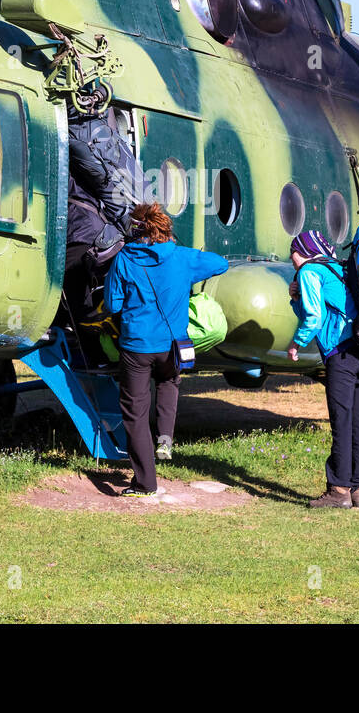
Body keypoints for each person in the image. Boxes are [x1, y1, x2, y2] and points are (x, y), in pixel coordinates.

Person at [104, 202, 228, 497]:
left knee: (135, 412)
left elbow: (113, 304)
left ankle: (145, 483)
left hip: (137, 346)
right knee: (169, 383)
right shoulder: (181, 257)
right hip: (173, 343)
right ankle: (165, 439)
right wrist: (190, 257)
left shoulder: (124, 259)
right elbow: (220, 263)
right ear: (165, 229)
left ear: (135, 230)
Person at [286, 230, 359, 509]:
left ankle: (338, 490)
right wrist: (295, 298)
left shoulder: (310, 270)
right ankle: (357, 488)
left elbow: (314, 318)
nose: (292, 260)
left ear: (301, 251)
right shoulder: (336, 268)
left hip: (341, 354)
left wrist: (295, 344)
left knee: (341, 420)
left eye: (292, 253)